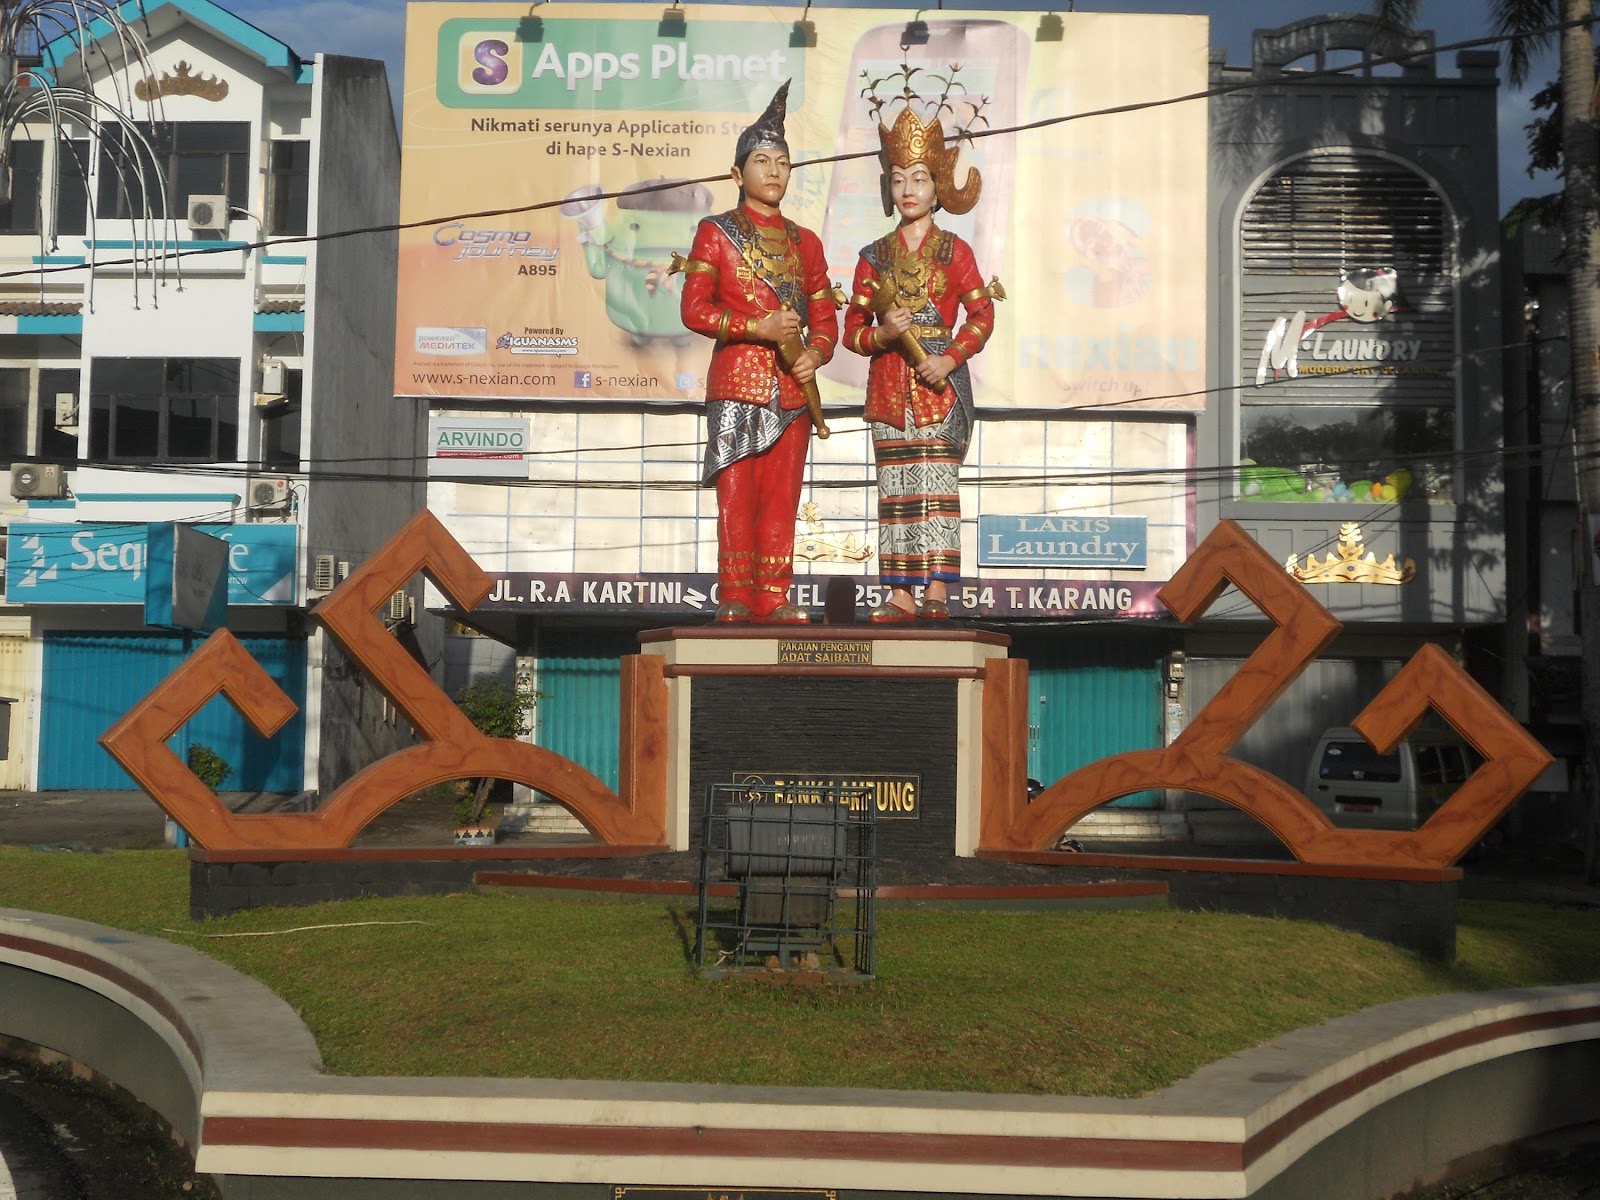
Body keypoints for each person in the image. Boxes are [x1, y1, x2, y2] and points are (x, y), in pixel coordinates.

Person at [677, 82, 840, 624]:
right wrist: (759, 326)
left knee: (782, 497)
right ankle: (735, 594)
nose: (773, 171)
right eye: (762, 161)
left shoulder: (806, 242)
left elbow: (825, 317)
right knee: (737, 493)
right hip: (737, 384)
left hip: (793, 388)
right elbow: (695, 311)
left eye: (783, 163)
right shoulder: (715, 233)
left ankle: (774, 594)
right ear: (737, 173)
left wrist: (816, 353)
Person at [843, 105, 1001, 622]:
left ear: (937, 185)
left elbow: (980, 314)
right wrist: (882, 334)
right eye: (897, 179)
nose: (908, 189)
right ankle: (900, 594)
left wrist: (951, 357)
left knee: (938, 487)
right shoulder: (873, 257)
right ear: (888, 189)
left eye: (918, 178)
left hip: (941, 389)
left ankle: (936, 592)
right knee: (897, 489)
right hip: (889, 389)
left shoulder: (956, 252)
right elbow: (852, 334)